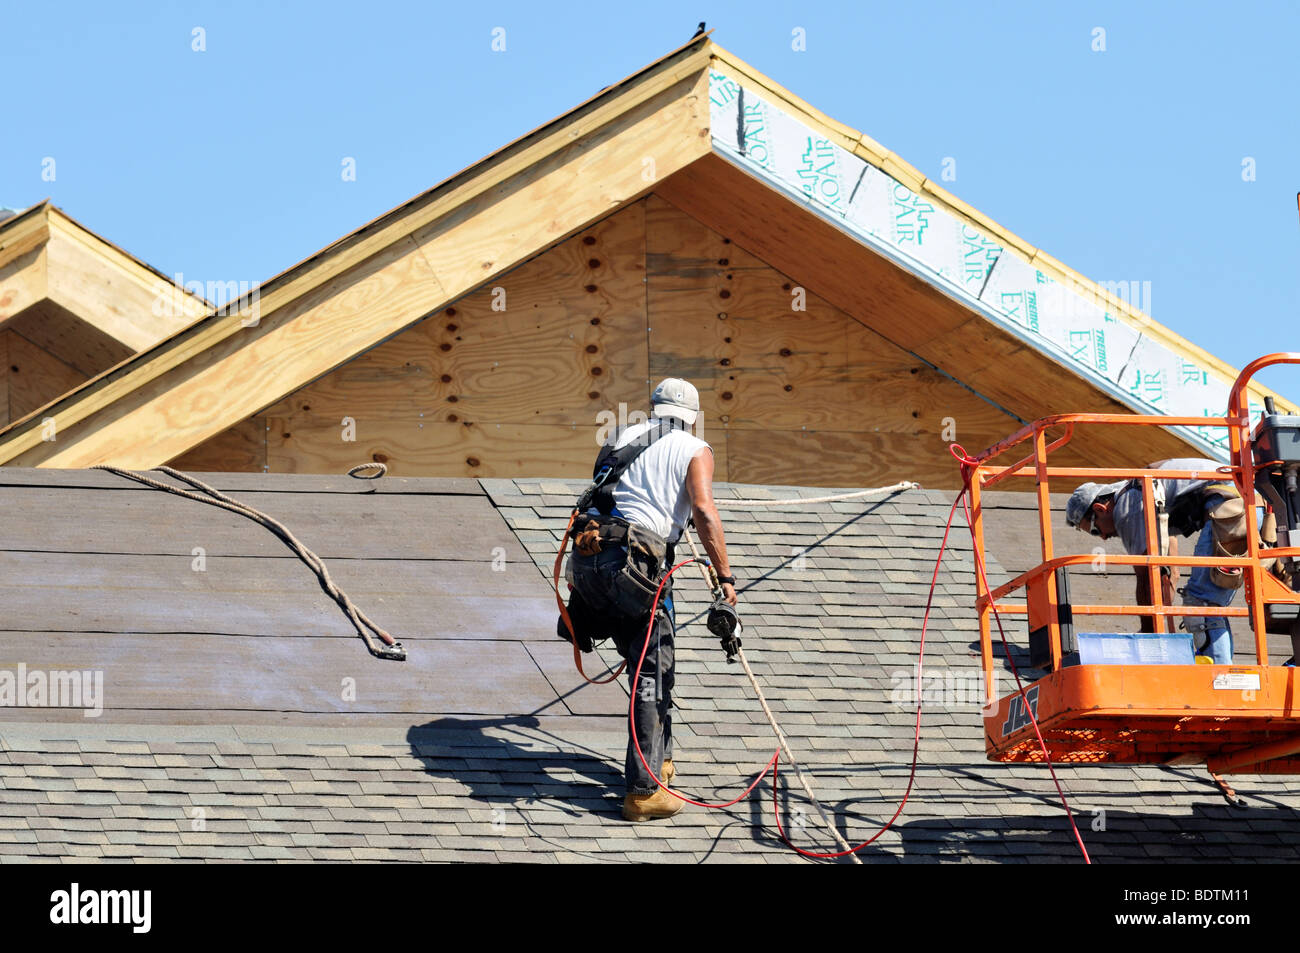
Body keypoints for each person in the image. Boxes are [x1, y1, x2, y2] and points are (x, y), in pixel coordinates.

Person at [565, 378, 738, 822]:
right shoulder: (695, 449)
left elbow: (603, 499)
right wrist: (724, 577)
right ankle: (644, 792)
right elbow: (702, 510)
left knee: (646, 665)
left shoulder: (621, 438)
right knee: (652, 672)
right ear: (694, 418)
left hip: (590, 565)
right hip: (637, 568)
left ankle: (658, 762)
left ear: (655, 408)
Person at [1066, 458, 1249, 663]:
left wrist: (1148, 637)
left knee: (1201, 604)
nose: (1102, 538)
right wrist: (1163, 632)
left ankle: (1220, 676)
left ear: (1101, 509)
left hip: (1229, 508)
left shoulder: (1128, 504)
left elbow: (1148, 575)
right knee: (1208, 602)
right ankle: (1221, 667)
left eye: (1095, 529)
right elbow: (1170, 572)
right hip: (1246, 503)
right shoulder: (1148, 492)